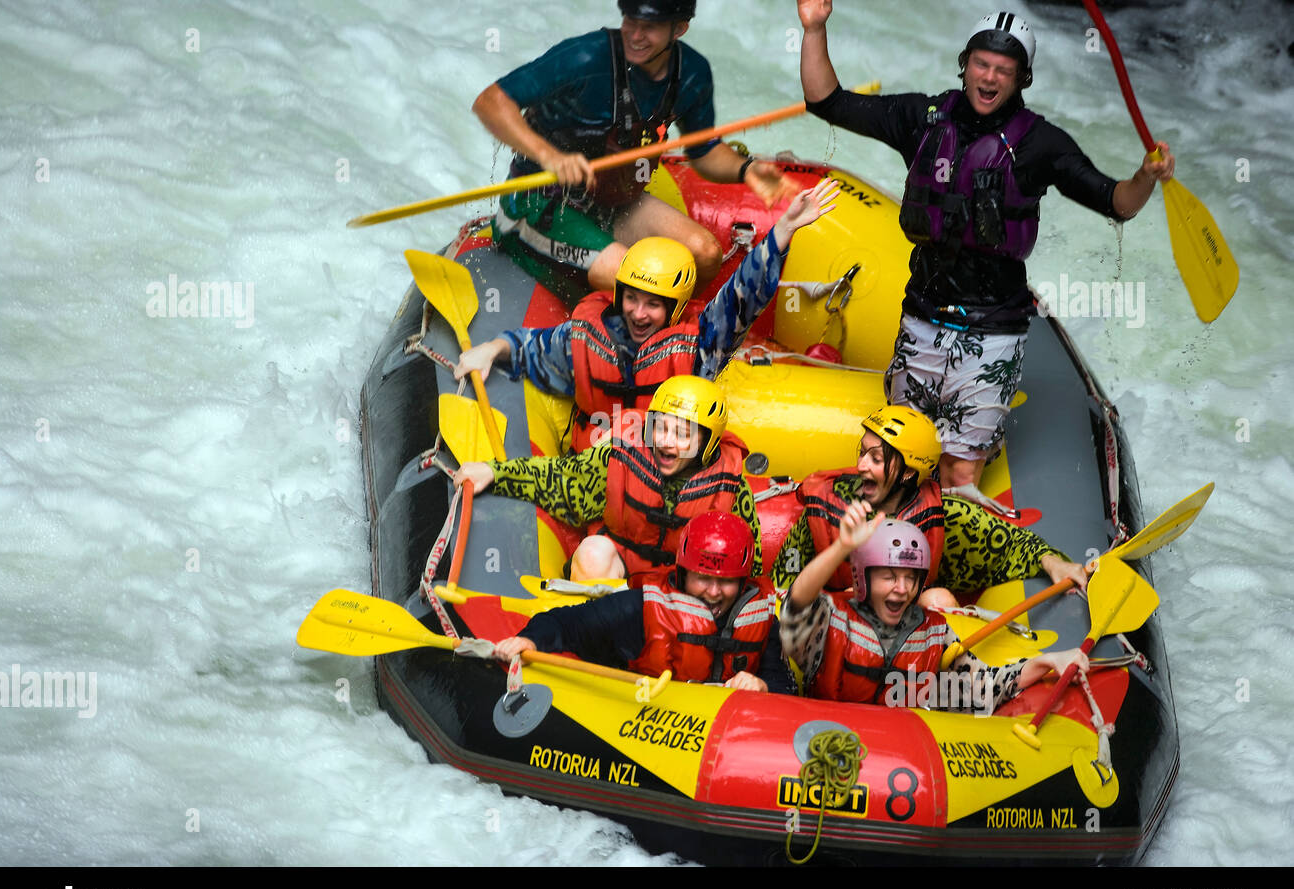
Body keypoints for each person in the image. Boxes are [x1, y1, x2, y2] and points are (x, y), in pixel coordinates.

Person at [797, 4, 1176, 490]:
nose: (990, 77)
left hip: (993, 331)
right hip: (921, 316)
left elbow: (1116, 202)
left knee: (957, 472)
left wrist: (1145, 175)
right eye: (982, 63)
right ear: (965, 63)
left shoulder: (1042, 144)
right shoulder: (923, 119)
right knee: (896, 462)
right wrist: (814, 27)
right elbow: (827, 101)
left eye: (1005, 70)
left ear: (1021, 79)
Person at [454, 179, 838, 452]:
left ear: (675, 309)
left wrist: (782, 232)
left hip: (658, 485)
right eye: (632, 298)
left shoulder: (698, 351)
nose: (639, 313)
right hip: (593, 477)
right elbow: (533, 348)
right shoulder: (586, 338)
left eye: (653, 304)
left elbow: (743, 298)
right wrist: (493, 348)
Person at [474, 0, 793, 292]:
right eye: (631, 21)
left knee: (705, 254)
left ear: (679, 28)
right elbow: (491, 101)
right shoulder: (585, 57)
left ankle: (673, 341)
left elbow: (704, 151)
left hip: (611, 202)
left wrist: (746, 169)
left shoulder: (692, 73)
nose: (636, 36)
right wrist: (550, 157)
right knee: (637, 280)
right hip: (541, 204)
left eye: (650, 27)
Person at [453, 374, 760, 583]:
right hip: (620, 577)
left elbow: (750, 561)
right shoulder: (619, 456)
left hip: (682, 593)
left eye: (682, 435)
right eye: (661, 428)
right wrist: (496, 472)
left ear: (708, 443)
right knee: (593, 553)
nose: (666, 442)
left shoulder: (731, 489)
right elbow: (560, 479)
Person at [780, 507, 1089, 710]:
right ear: (863, 577)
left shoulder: (933, 634)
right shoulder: (831, 618)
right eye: (889, 577)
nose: (901, 589)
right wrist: (841, 548)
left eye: (910, 579)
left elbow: (982, 688)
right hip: (825, 739)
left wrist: (1046, 661)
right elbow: (796, 604)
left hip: (898, 759)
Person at [771, 404, 1088, 601]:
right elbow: (784, 586)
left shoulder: (946, 517)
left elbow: (1012, 545)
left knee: (940, 600)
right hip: (836, 627)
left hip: (904, 635)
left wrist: (1053, 562)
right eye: (862, 452)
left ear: (909, 473)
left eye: (876, 458)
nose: (861, 465)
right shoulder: (827, 506)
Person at [493, 511, 793, 693]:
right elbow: (566, 623)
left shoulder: (762, 621)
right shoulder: (641, 609)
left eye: (726, 581)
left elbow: (785, 687)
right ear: (684, 572)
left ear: (742, 582)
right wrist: (529, 641)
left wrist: (762, 686)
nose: (714, 592)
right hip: (647, 720)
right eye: (703, 578)